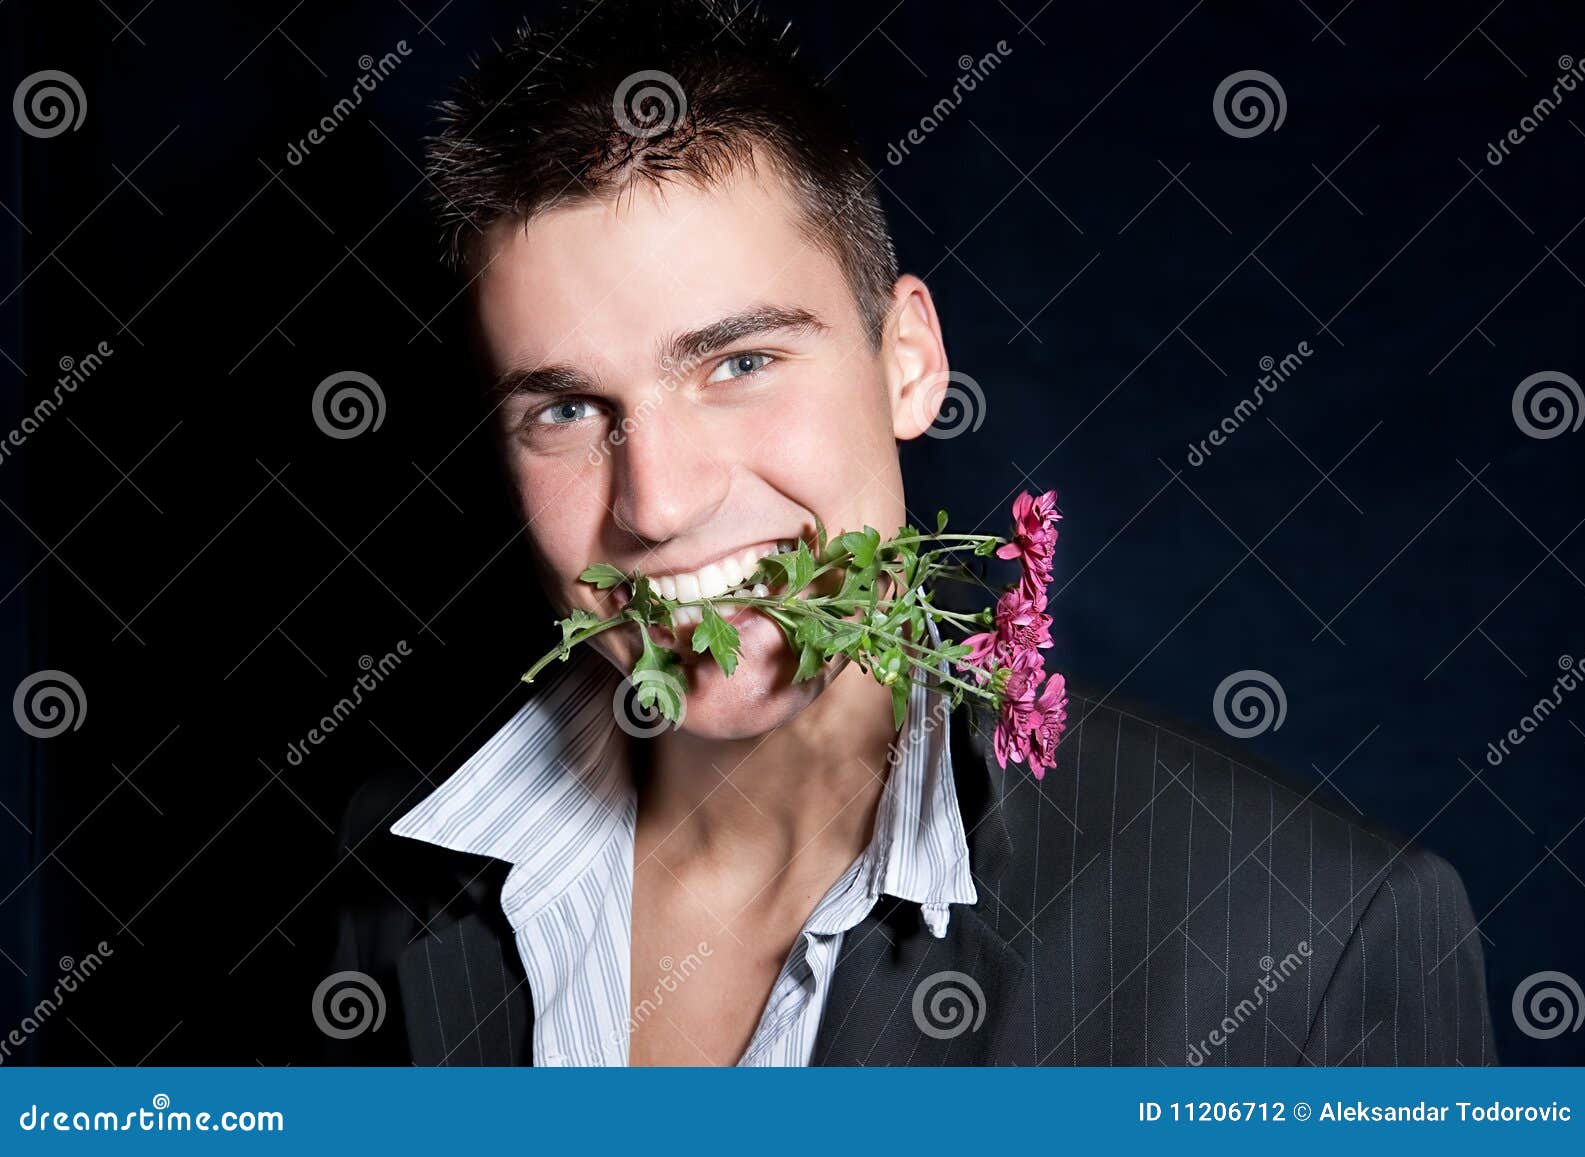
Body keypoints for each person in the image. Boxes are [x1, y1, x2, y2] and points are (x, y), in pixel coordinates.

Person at [326, 0, 1494, 1066]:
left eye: (739, 363)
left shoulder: (1305, 935)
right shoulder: (383, 867)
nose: (658, 504)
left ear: (909, 362)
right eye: (569, 409)